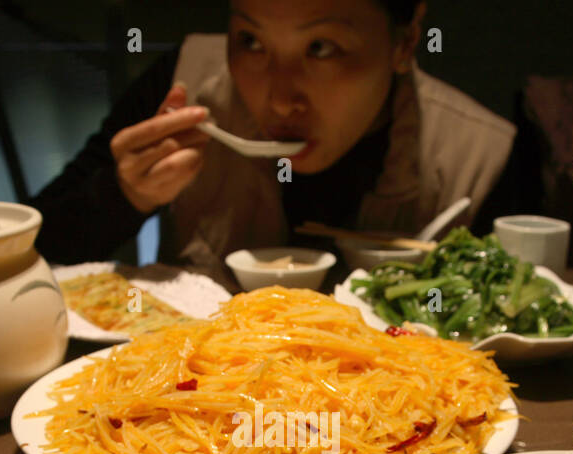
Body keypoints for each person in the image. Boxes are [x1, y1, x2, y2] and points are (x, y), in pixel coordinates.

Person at [33, 0, 516, 281]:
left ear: (406, 41)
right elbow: (38, 245)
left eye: (321, 48)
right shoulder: (185, 83)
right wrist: (125, 195)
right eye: (251, 42)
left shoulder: (485, 155)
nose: (281, 99)